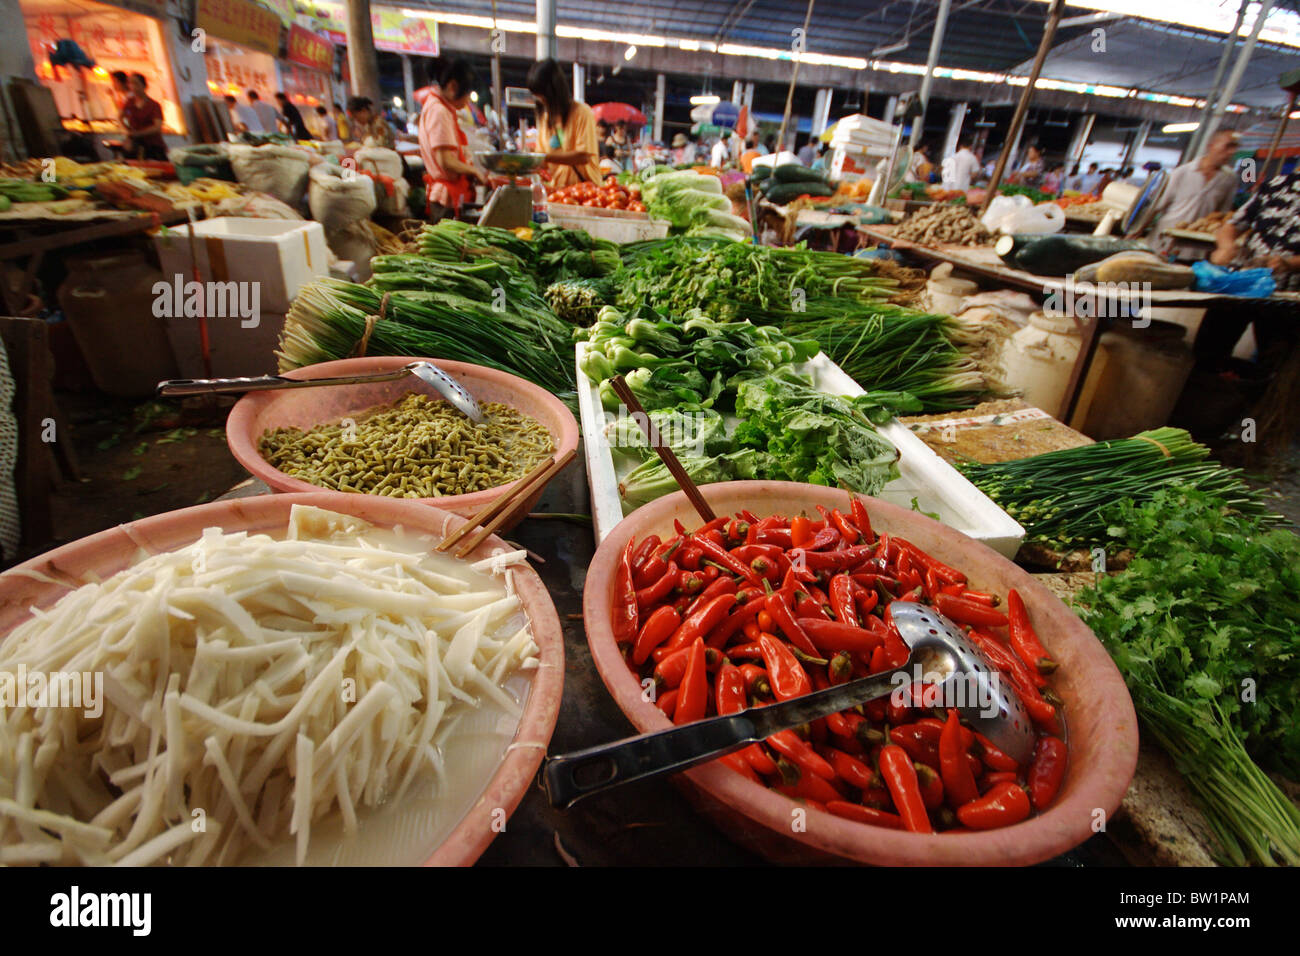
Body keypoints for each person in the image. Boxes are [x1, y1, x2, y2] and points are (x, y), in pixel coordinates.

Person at [417, 56, 488, 222]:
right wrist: (474, 171)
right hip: (446, 199)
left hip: (447, 196)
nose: (468, 101)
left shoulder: (437, 106)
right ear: (453, 86)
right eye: (467, 94)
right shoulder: (439, 111)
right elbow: (445, 161)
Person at [1148, 129, 1240, 246]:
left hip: (1198, 246)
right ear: (1211, 145)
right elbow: (1157, 206)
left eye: (1235, 148)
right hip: (1165, 240)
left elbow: (1223, 214)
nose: (1231, 152)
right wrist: (1136, 231)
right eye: (1228, 146)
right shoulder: (1182, 172)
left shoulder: (1230, 179)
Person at [526, 59, 600, 189]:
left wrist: (543, 157)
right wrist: (525, 163)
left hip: (587, 194)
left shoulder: (582, 112)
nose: (541, 101)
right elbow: (543, 161)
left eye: (543, 96)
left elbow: (583, 156)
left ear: (555, 91)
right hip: (560, 192)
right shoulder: (545, 119)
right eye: (538, 97)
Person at [119, 73, 167, 161]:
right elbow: (120, 117)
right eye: (130, 83)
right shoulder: (129, 102)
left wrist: (137, 133)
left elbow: (157, 127)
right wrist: (126, 131)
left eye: (136, 83)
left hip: (153, 145)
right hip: (134, 145)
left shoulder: (154, 105)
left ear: (144, 86)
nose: (132, 87)